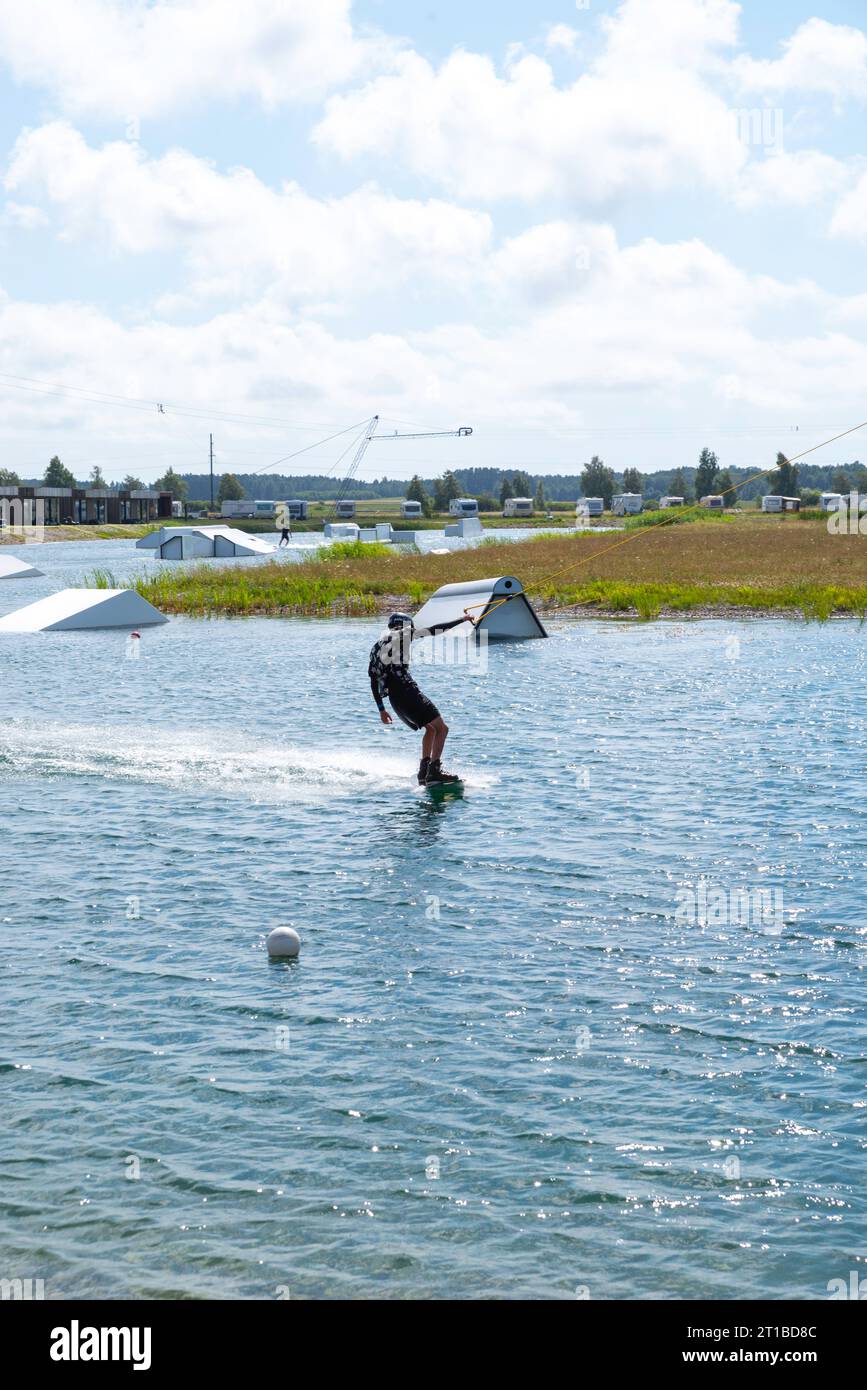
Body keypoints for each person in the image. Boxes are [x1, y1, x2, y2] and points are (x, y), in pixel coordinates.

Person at [368, 610, 475, 785]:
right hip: (408, 692)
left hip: (395, 699)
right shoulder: (403, 634)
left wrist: (381, 709)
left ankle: (423, 772)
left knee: (431, 729)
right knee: (442, 729)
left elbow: (373, 679)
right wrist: (461, 620)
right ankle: (434, 771)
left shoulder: (377, 646)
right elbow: (434, 630)